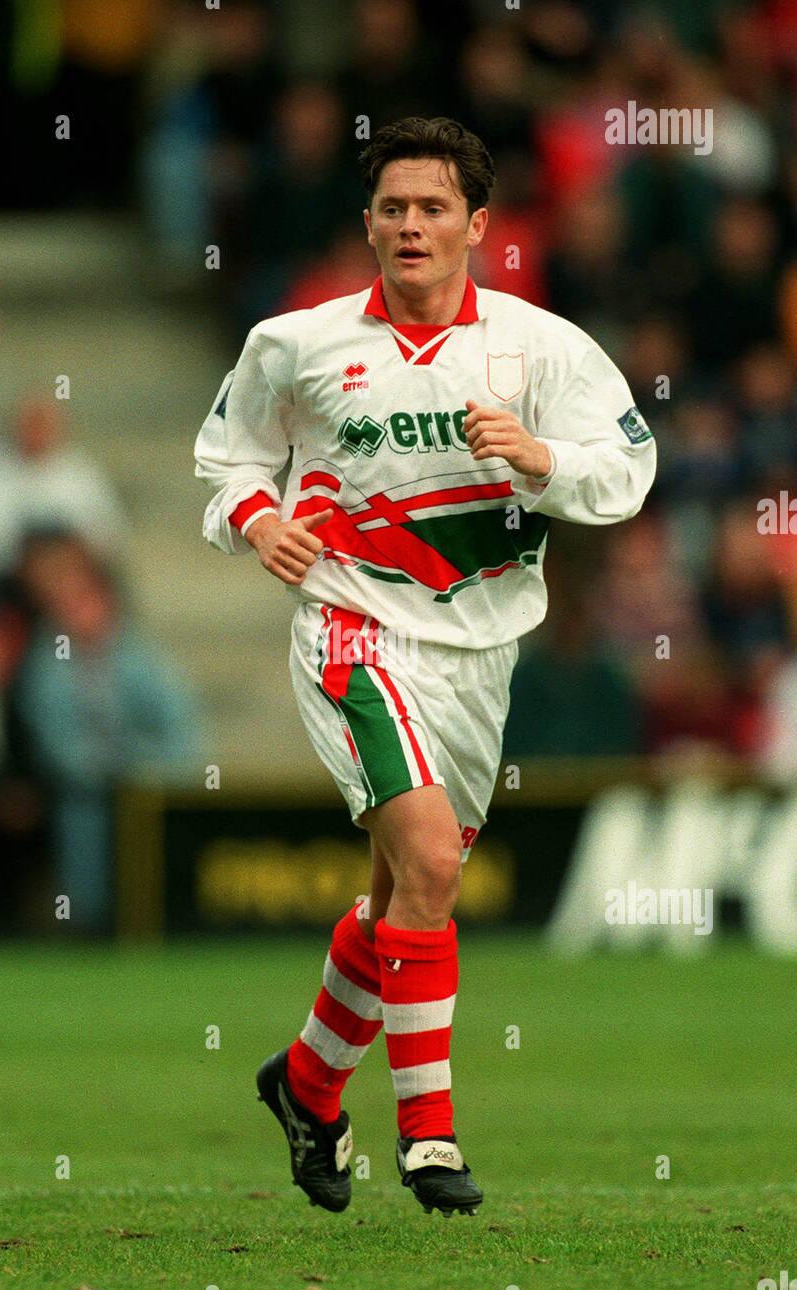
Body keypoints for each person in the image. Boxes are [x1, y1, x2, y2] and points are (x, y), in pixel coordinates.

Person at [194, 116, 656, 1217]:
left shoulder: (541, 348)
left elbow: (626, 467)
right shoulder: (295, 343)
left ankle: (305, 1085)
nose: (411, 225)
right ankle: (428, 1137)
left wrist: (538, 458)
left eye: (432, 208)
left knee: (403, 893)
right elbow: (228, 458)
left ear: (477, 225)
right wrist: (258, 523)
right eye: (393, 209)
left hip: (478, 652)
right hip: (350, 629)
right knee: (435, 867)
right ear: (367, 225)